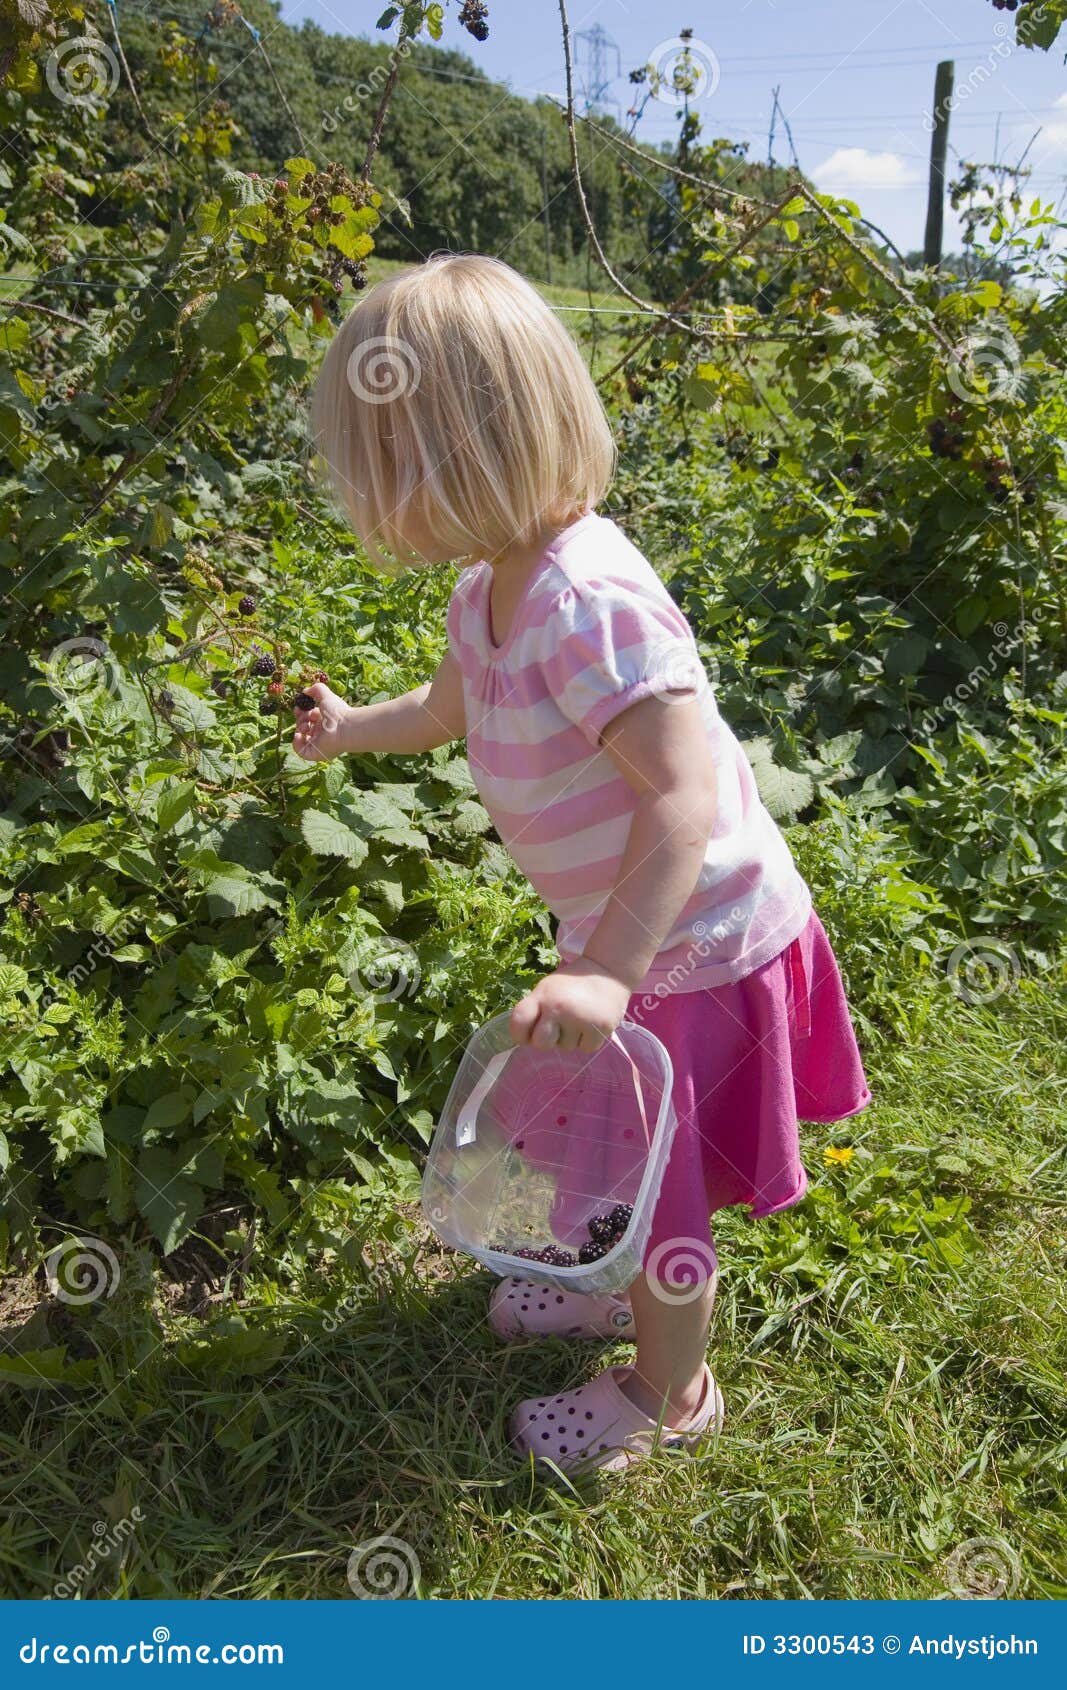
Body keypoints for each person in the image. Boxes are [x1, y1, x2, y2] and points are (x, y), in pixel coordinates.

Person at [296, 253, 870, 1473]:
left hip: (698, 941)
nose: (361, 498)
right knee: (609, 1139)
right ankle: (612, 1291)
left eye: (376, 466)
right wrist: (352, 727)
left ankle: (670, 1388)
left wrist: (609, 967)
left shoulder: (586, 598)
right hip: (623, 934)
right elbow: (449, 708)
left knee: (663, 1188)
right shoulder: (482, 590)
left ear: (454, 453)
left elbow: (684, 792)